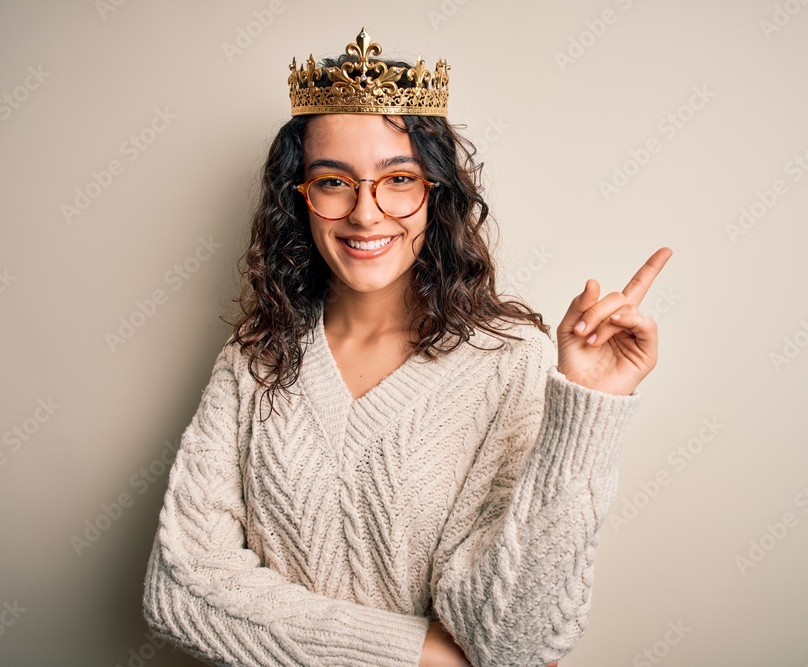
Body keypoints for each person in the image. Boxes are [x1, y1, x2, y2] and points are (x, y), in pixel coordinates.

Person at [142, 27, 672, 667]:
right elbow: (180, 589)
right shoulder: (255, 358)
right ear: (299, 198)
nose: (366, 214)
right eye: (334, 181)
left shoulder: (509, 362)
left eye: (398, 179)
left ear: (436, 193)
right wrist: (418, 655)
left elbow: (515, 644)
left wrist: (586, 408)